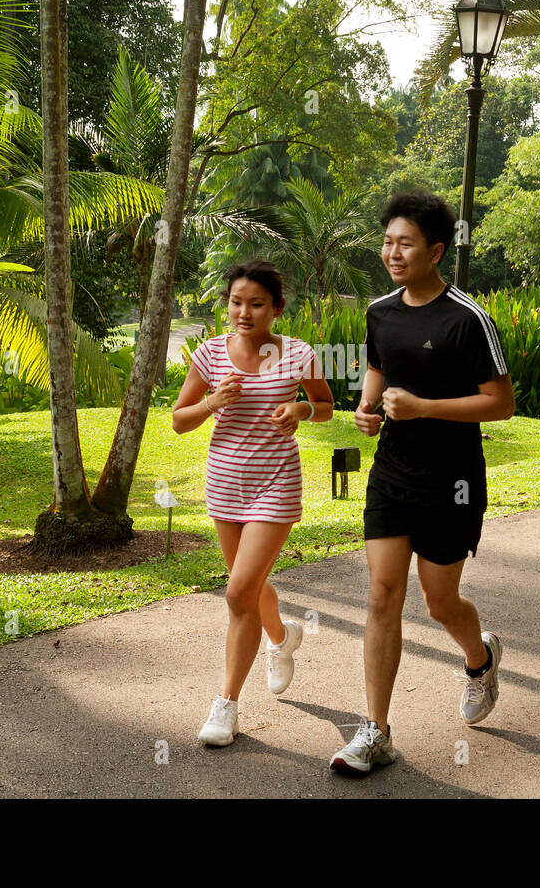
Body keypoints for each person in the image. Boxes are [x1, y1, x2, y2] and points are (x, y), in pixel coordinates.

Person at [330, 190, 515, 776]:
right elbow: (378, 366)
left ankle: (480, 659)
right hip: (392, 472)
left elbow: (501, 403)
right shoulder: (380, 311)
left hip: (452, 481)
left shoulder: (467, 318)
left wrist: (423, 407)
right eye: (387, 242)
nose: (393, 253)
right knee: (383, 593)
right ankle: (376, 731)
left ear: (436, 251)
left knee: (440, 602)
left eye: (405, 244)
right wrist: (366, 407)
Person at [172, 259, 335, 747]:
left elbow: (326, 407)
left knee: (238, 592)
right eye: (236, 302)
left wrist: (301, 408)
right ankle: (281, 638)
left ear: (277, 308)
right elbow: (179, 420)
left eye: (256, 304)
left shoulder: (299, 353)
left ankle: (226, 705)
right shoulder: (210, 354)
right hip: (225, 484)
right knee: (248, 587)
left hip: (276, 483)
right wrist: (211, 403)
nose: (244, 312)